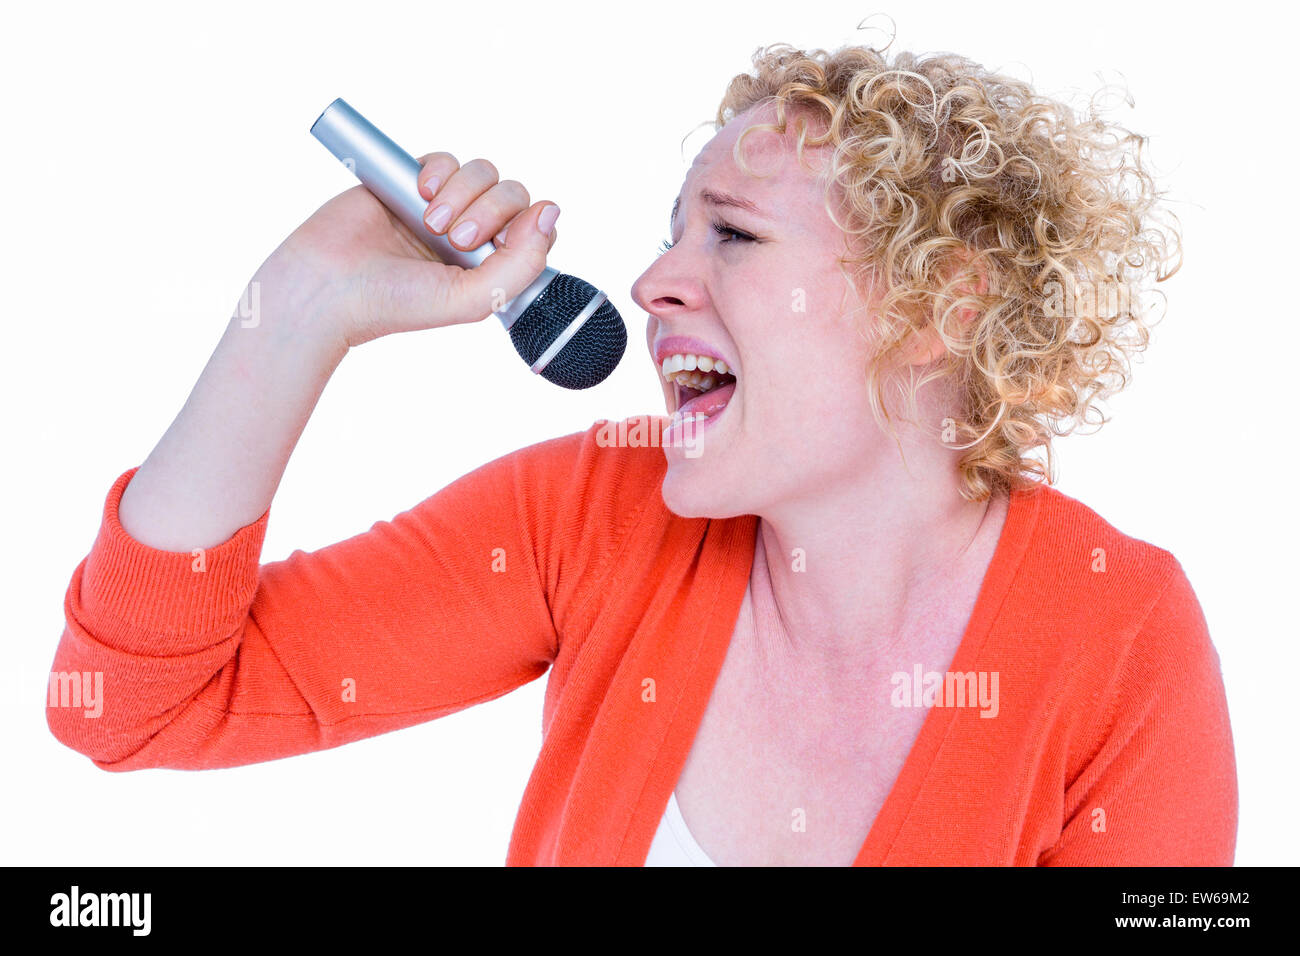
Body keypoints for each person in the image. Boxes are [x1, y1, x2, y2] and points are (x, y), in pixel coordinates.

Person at [46, 41, 1237, 866]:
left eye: (732, 233)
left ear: (943, 304)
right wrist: (301, 305)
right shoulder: (596, 511)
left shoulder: (1117, 631)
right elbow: (135, 705)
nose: (653, 281)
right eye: (672, 231)